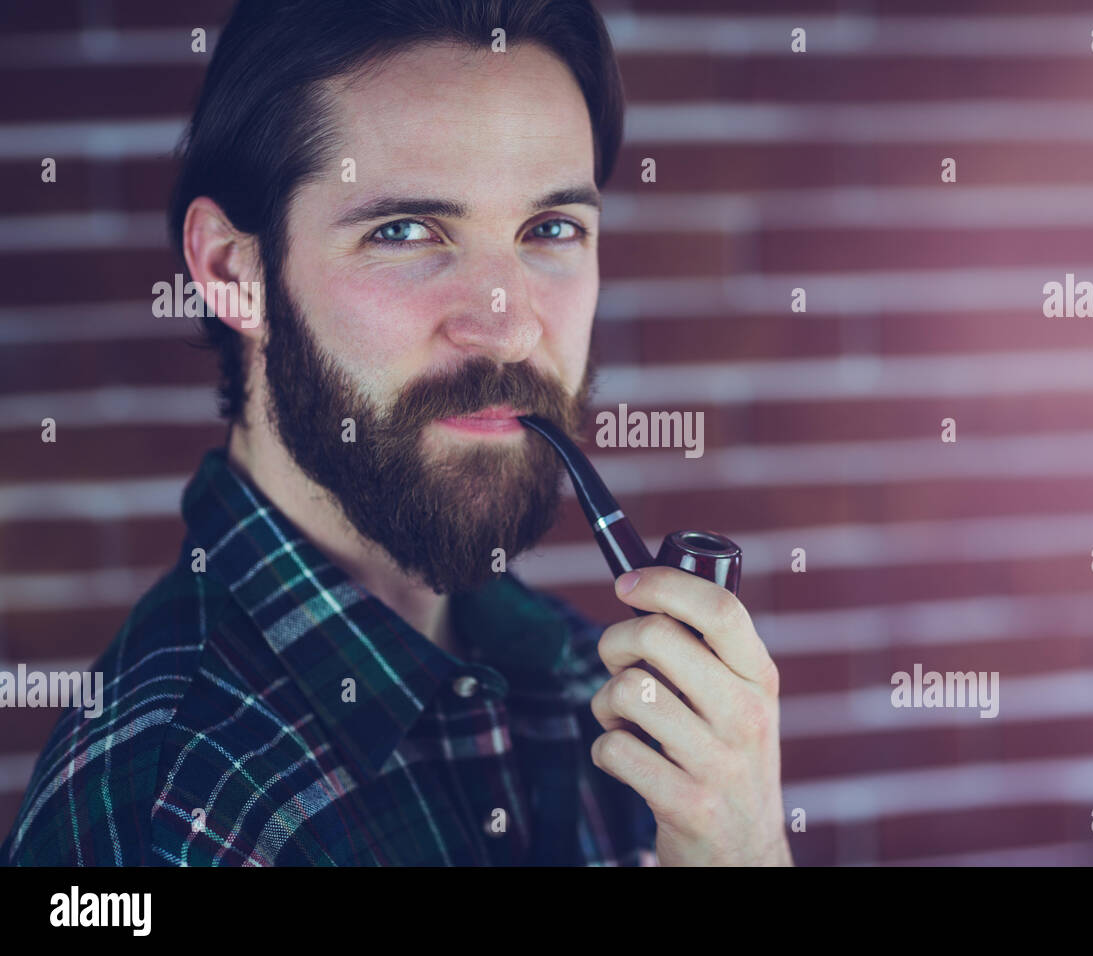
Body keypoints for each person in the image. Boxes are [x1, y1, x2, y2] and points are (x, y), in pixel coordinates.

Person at [2, 0, 791, 867]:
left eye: (551, 229)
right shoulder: (161, 817)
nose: (508, 329)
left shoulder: (585, 679)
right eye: (405, 231)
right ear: (235, 271)